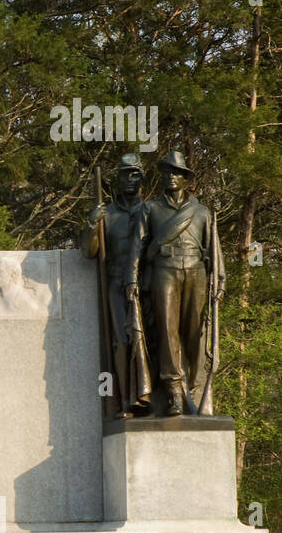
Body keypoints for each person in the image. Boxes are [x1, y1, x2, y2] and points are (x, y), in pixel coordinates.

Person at [128, 151, 224, 415]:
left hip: (196, 272)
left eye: (176, 173)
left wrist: (221, 281)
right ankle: (174, 392)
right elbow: (138, 245)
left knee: (193, 333)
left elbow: (213, 250)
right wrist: (131, 279)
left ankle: (193, 386)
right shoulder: (150, 209)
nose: (171, 177)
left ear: (186, 179)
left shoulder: (203, 212)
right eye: (167, 173)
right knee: (167, 332)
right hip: (164, 270)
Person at [80, 152, 152, 417]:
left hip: (149, 285)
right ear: (118, 179)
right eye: (125, 174)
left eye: (135, 174)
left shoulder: (151, 210)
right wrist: (91, 223)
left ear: (142, 178)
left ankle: (154, 399)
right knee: (122, 343)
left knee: (150, 342)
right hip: (118, 285)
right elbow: (89, 252)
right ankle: (125, 401)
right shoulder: (107, 214)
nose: (130, 179)